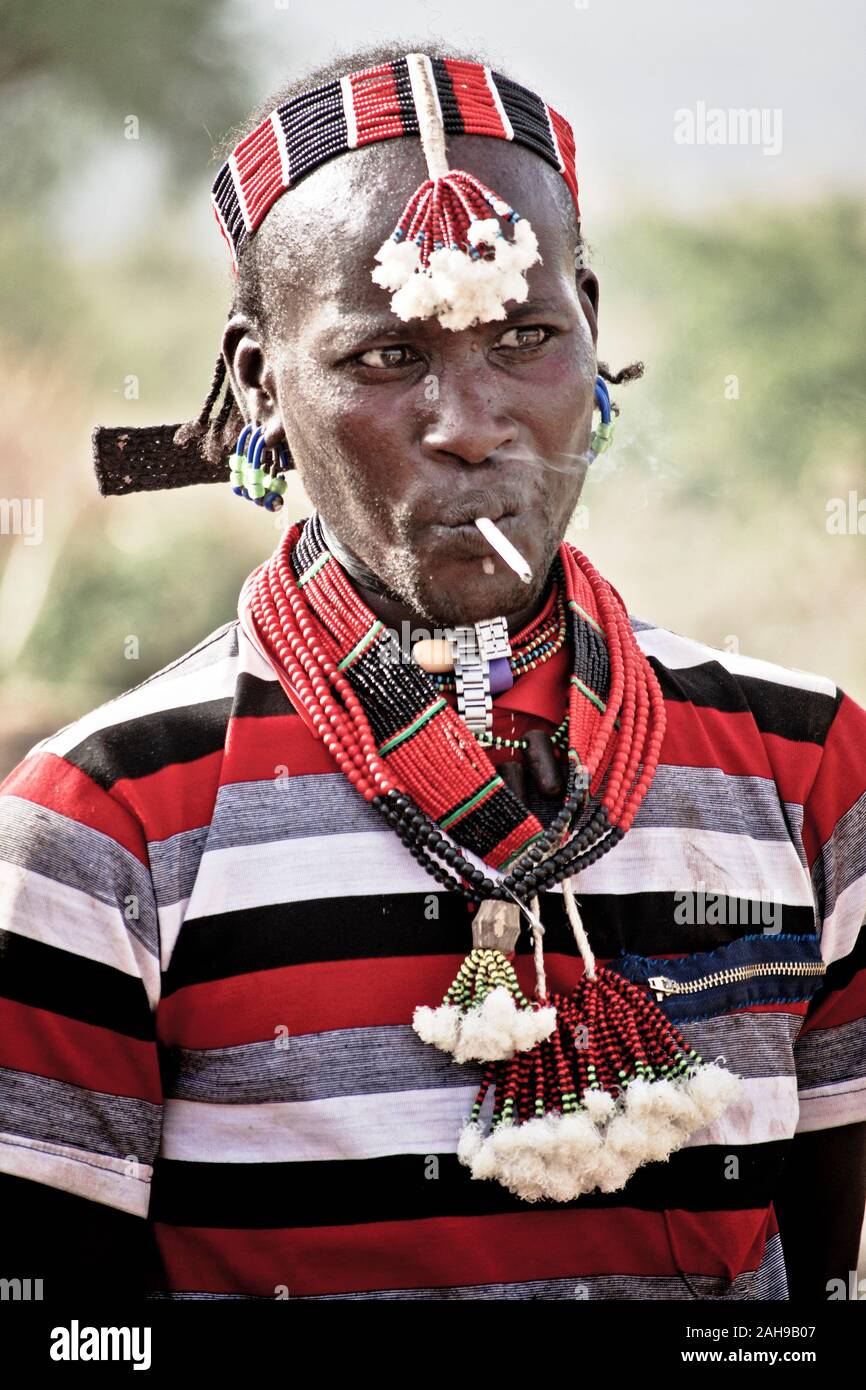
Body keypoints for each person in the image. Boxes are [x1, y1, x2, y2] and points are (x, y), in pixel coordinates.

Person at [1, 39, 865, 1303]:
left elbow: (809, 1286)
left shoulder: (808, 768)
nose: (469, 426)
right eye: (383, 358)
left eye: (522, 336)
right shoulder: (107, 824)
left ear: (592, 335)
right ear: (260, 385)